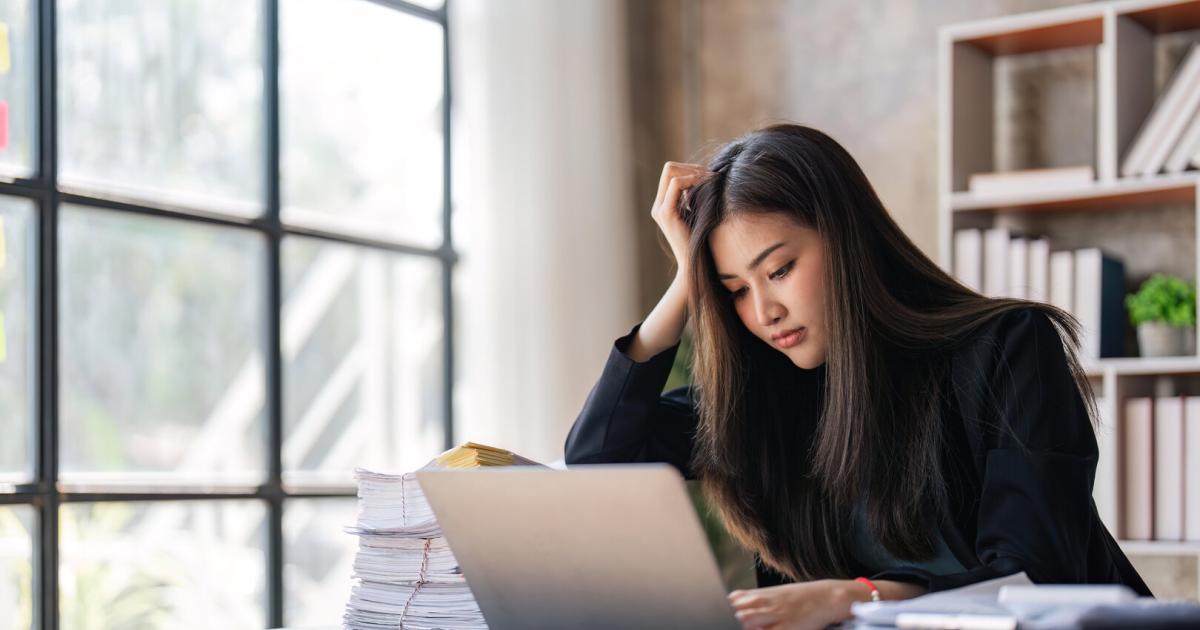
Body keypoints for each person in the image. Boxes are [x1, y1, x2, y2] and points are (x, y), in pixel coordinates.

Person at [563, 123, 1150, 630]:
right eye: (736, 290)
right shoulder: (770, 394)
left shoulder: (1006, 349)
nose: (764, 312)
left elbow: (1033, 579)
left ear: (847, 240)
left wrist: (853, 597)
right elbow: (600, 458)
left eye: (781, 269)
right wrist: (686, 283)